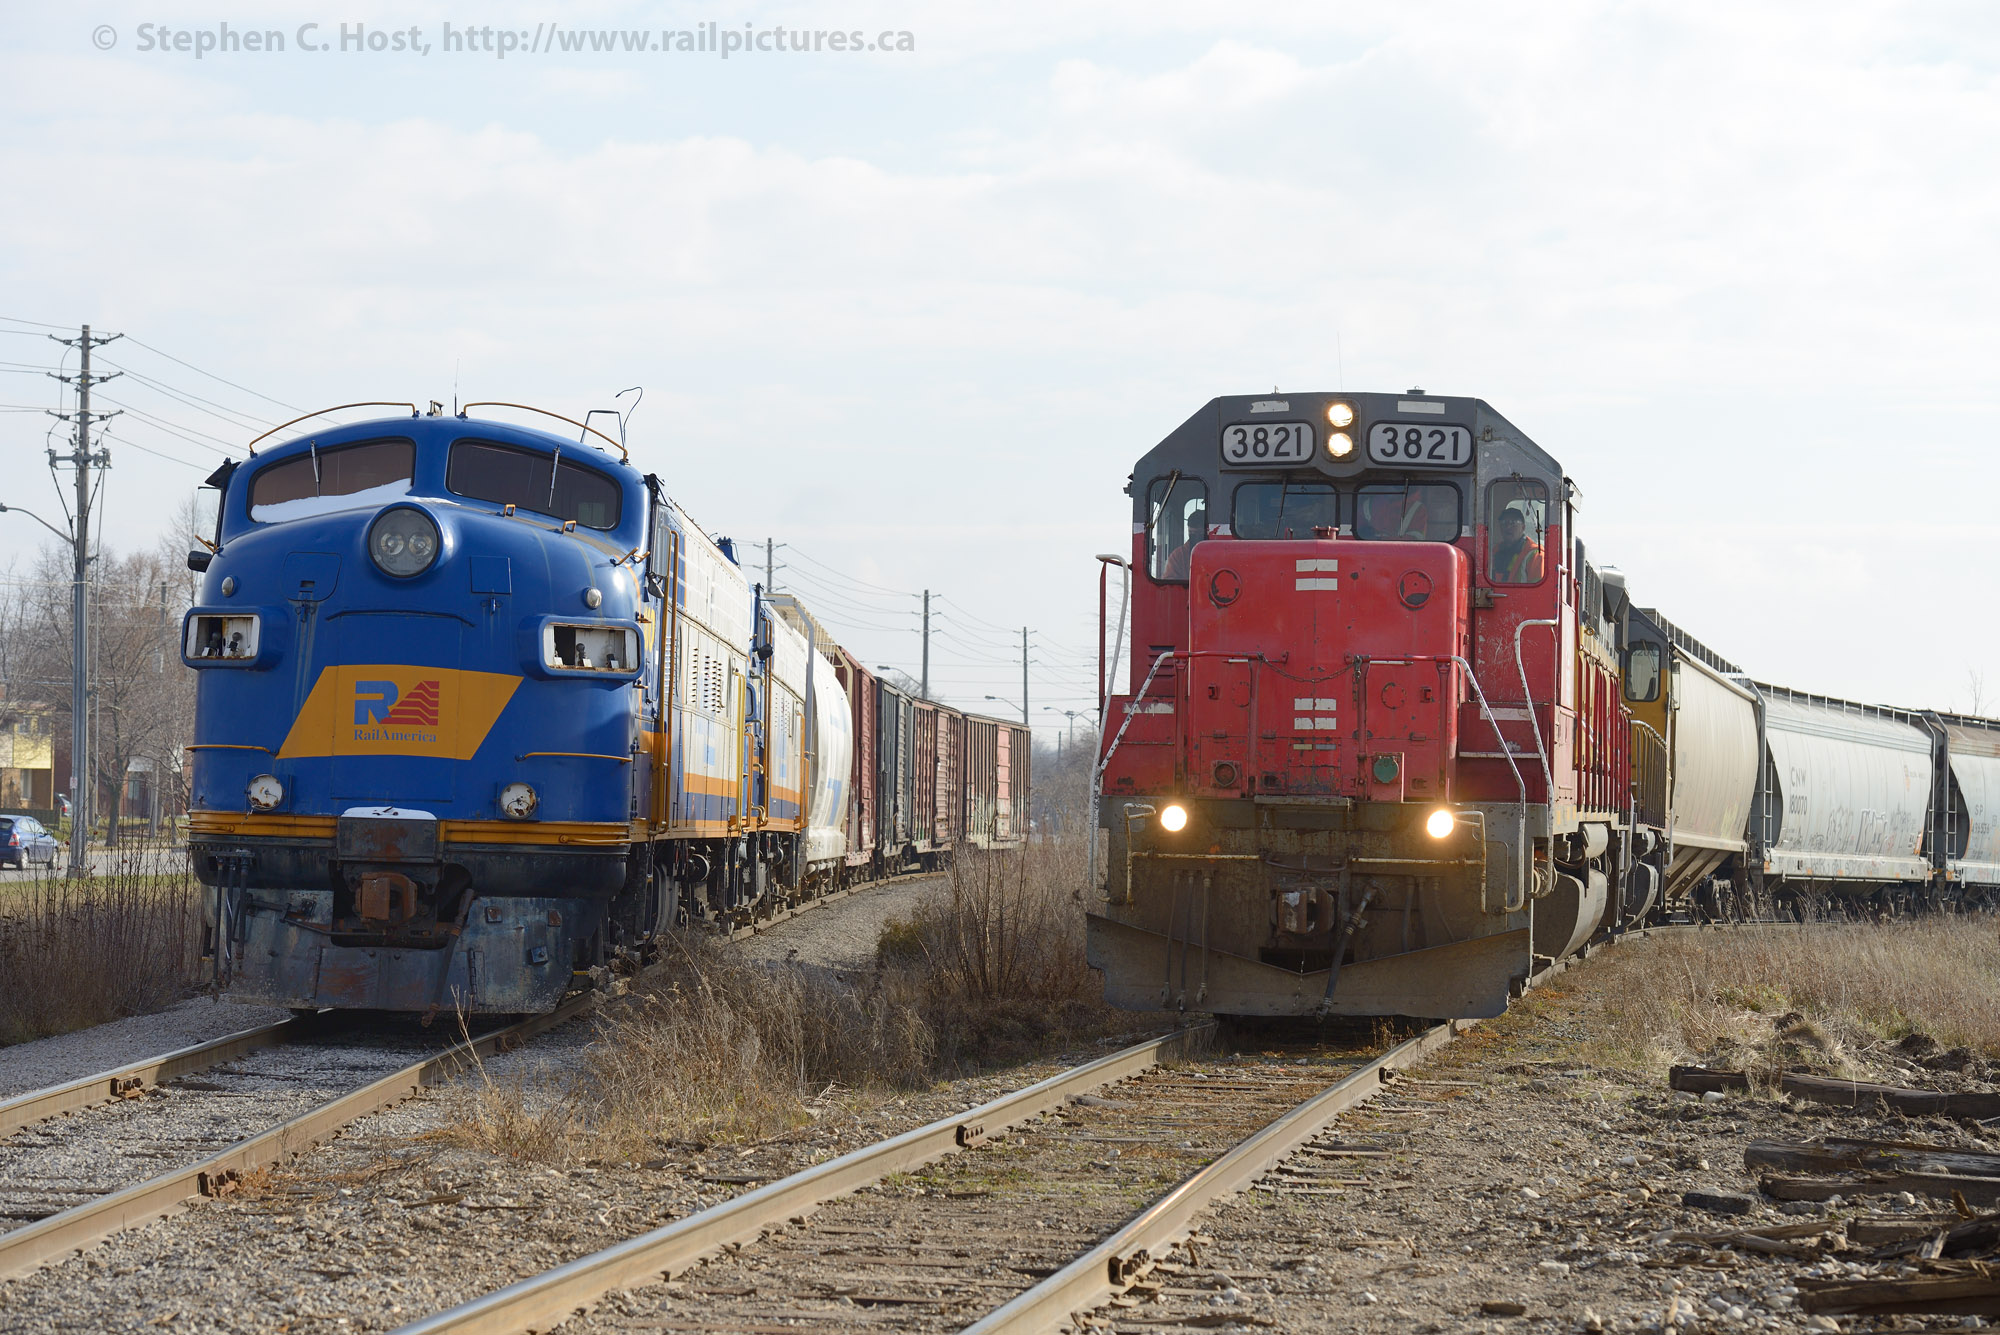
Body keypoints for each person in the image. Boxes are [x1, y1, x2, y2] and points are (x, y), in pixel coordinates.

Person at [1491, 505, 1544, 582]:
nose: (1508, 526)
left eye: (1513, 522)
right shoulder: (1495, 551)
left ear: (1523, 527)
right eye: (1504, 522)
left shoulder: (1535, 554)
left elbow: (1539, 590)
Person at [1359, 488, 1432, 540]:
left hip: (1401, 556)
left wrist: (1381, 539)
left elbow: (1416, 539)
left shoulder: (1418, 508)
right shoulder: (1369, 504)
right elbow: (1356, 531)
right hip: (1371, 553)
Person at [1159, 503, 1207, 580]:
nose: (1196, 536)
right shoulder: (1178, 556)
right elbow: (1168, 583)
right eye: (1191, 533)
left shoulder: (1220, 555)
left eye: (1200, 533)